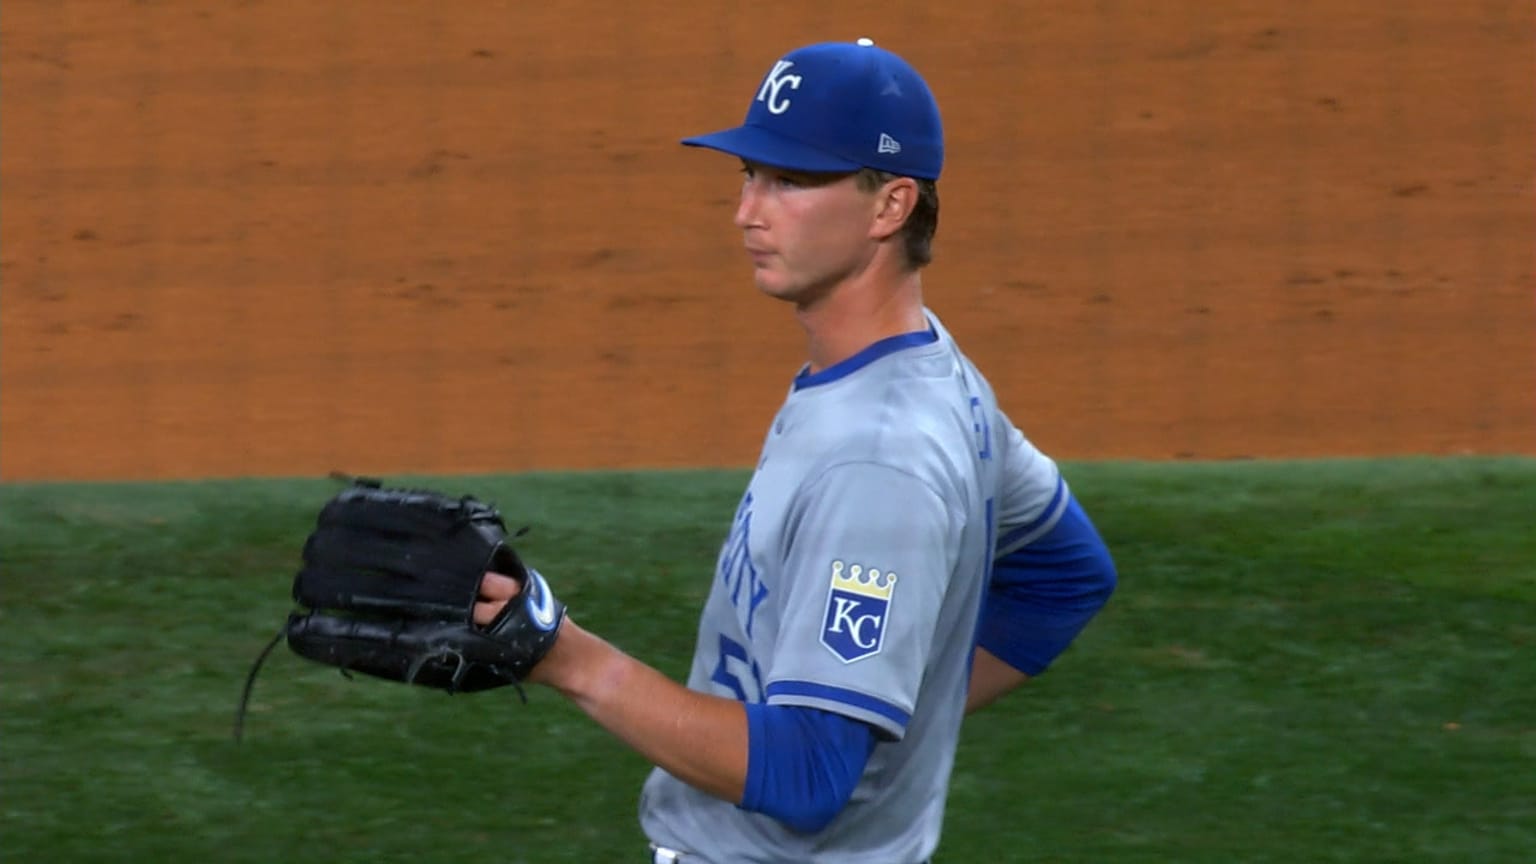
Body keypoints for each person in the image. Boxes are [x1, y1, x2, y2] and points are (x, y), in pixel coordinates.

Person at [475, 37, 1117, 864]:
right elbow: (1066, 577)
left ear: (889, 207)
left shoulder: (878, 461)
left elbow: (810, 775)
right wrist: (897, 713)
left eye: (792, 180)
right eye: (750, 174)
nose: (749, 210)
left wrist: (566, 656)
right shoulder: (933, 373)